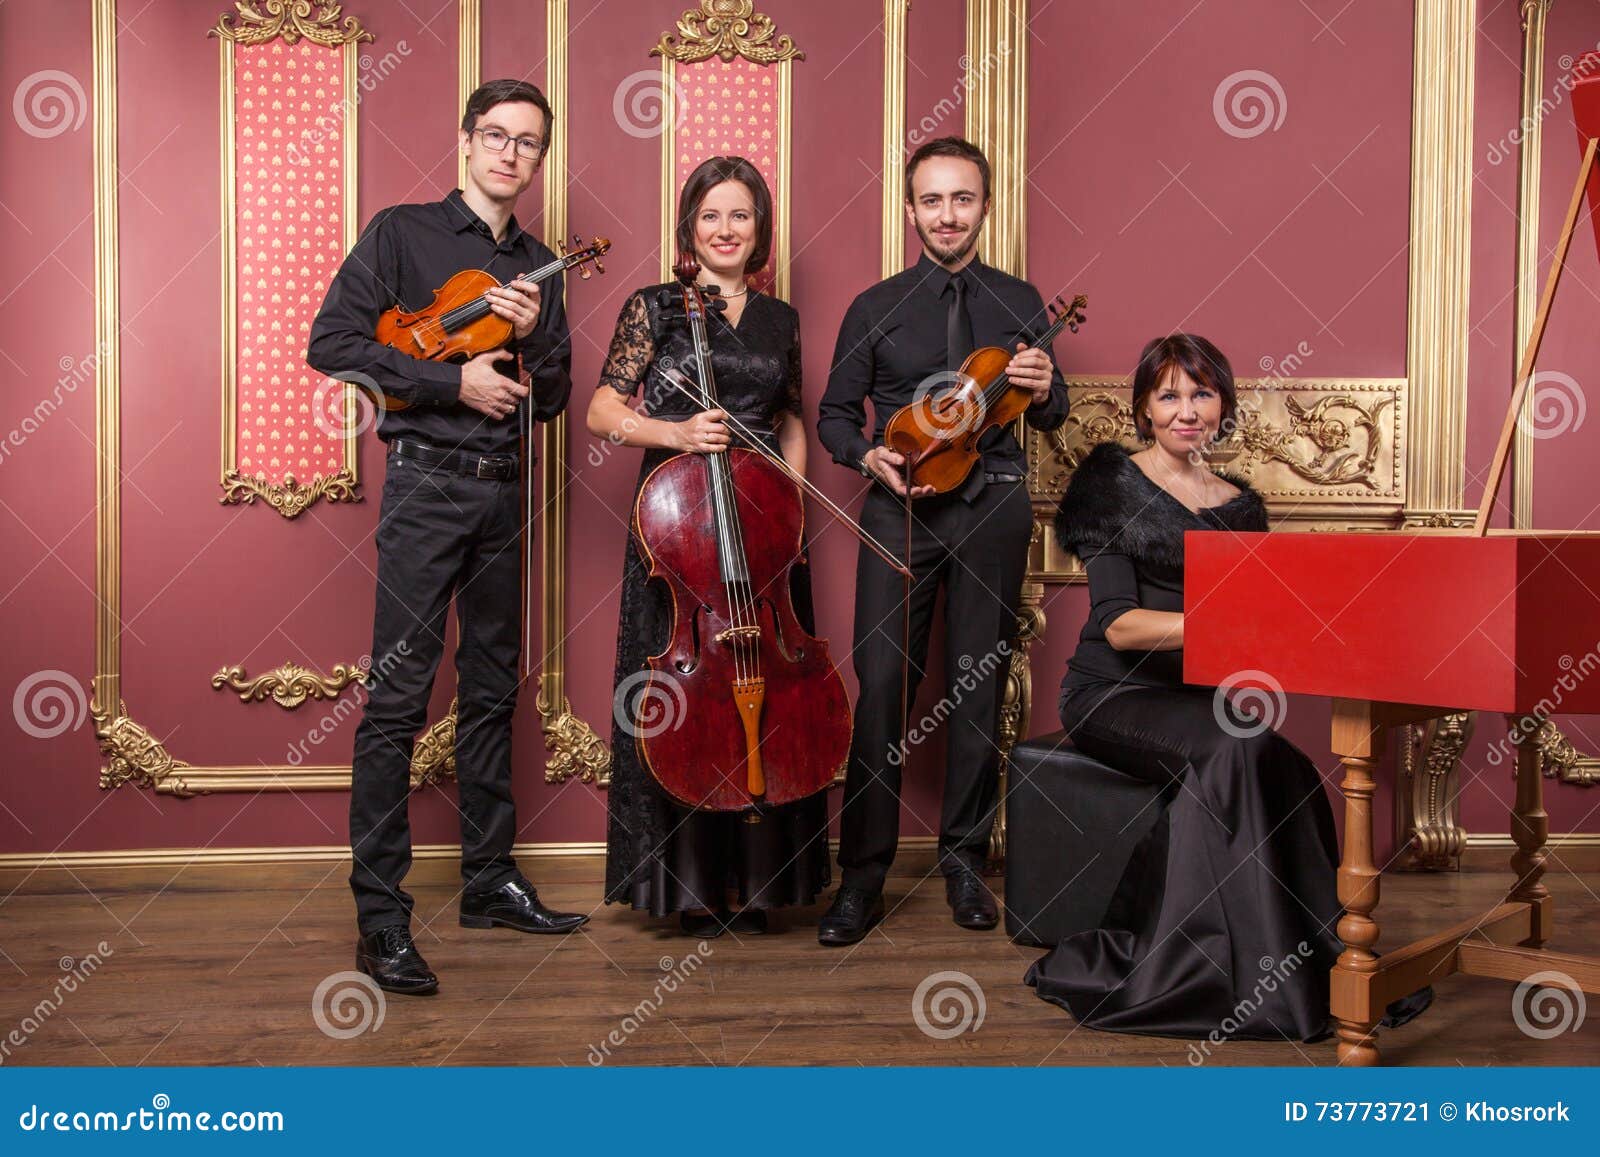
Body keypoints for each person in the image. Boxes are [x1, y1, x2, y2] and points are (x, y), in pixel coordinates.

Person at [1024, 333, 1430, 1041]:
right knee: (1234, 754)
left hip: (1194, 699)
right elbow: (1119, 627)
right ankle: (1233, 976)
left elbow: (1255, 634)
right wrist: (1225, 617)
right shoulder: (1110, 482)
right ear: (1145, 409)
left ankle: (1324, 958)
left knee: (1291, 765)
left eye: (1202, 393)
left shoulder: (1240, 507)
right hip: (1110, 695)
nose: (1188, 410)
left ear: (1224, 405)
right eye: (1170, 395)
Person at [307, 79, 587, 997]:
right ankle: (382, 917)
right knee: (395, 700)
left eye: (529, 143)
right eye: (497, 136)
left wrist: (538, 342)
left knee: (492, 691)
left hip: (505, 496)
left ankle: (488, 880)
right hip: (426, 489)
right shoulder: (401, 231)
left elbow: (551, 403)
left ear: (540, 160)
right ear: (467, 141)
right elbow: (333, 342)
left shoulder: (542, 263)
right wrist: (448, 384)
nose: (512, 153)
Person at [815, 136, 1068, 945]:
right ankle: (861, 876)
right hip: (902, 509)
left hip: (992, 503)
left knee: (976, 685)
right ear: (912, 208)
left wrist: (1045, 384)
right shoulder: (874, 305)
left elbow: (1053, 415)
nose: (947, 214)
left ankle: (963, 858)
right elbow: (831, 418)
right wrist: (868, 455)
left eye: (962, 199)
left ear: (984, 207)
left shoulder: (1021, 299)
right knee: (884, 681)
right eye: (932, 200)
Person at [587, 155, 830, 936]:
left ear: (760, 230)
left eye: (742, 216)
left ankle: (760, 884)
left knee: (767, 683)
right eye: (711, 216)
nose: (726, 230)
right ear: (690, 228)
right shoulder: (654, 307)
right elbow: (598, 411)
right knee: (687, 693)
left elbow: (789, 416)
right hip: (680, 529)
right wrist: (676, 431)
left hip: (761, 532)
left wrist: (789, 496)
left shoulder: (781, 318)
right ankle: (684, 886)